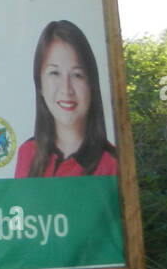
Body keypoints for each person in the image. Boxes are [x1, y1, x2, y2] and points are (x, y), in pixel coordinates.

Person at [15, 19, 118, 178]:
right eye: (54, 73)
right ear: (40, 83)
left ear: (92, 84)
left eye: (77, 75)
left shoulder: (112, 163)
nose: (66, 89)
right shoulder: (27, 153)